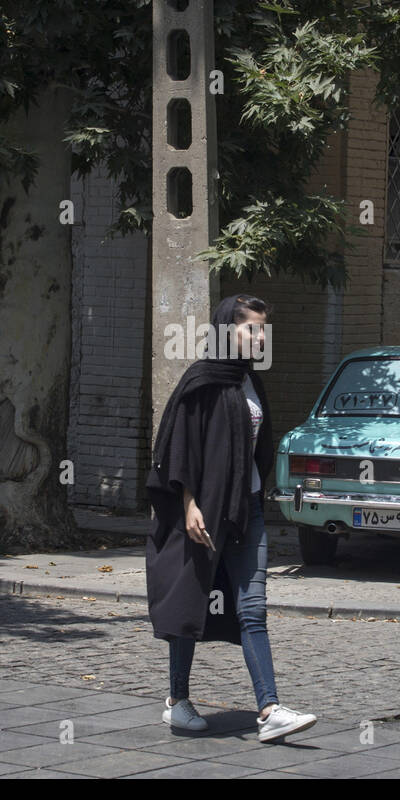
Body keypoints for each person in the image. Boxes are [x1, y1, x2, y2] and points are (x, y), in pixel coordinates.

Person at [145, 294, 317, 742]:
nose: (259, 337)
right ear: (226, 330)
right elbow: (178, 446)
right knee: (190, 602)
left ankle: (270, 709)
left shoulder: (250, 382)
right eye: (250, 329)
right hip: (203, 514)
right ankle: (177, 701)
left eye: (263, 329)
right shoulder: (202, 380)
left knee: (252, 608)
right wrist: (188, 504)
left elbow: (257, 448)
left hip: (247, 511)